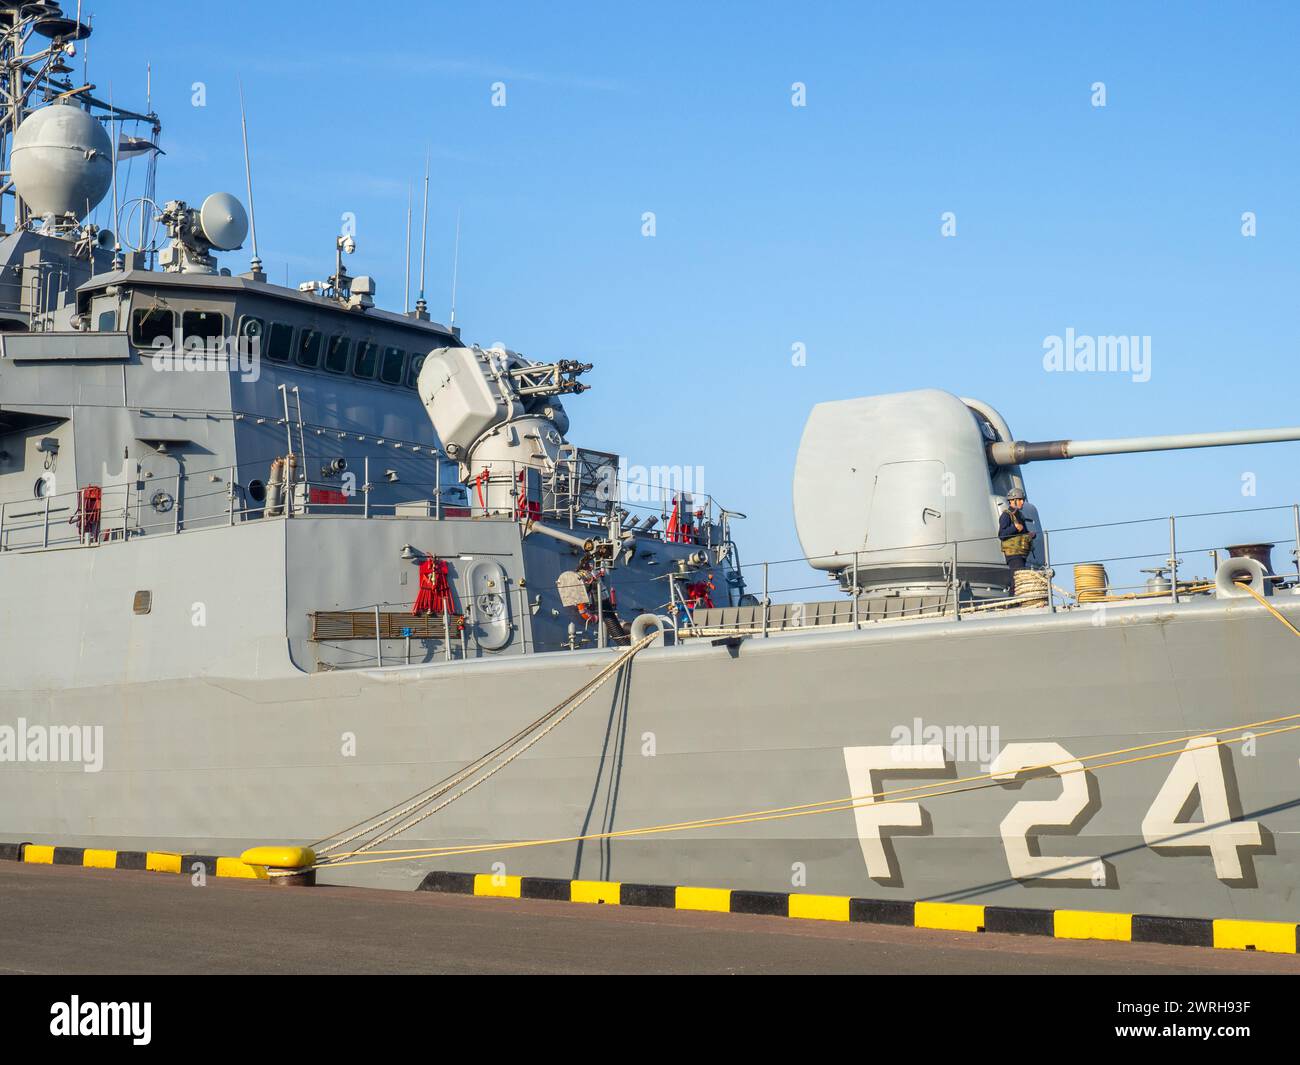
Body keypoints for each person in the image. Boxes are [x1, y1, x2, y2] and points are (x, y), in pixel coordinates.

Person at [998, 491, 1036, 574]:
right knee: (1017, 579)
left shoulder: (1020, 515)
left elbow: (1022, 532)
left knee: (1019, 579)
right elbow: (1001, 535)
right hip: (1013, 554)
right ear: (1012, 501)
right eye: (1019, 500)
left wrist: (1030, 534)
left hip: (1021, 553)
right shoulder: (1006, 515)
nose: (1022, 502)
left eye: (1022, 500)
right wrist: (1014, 528)